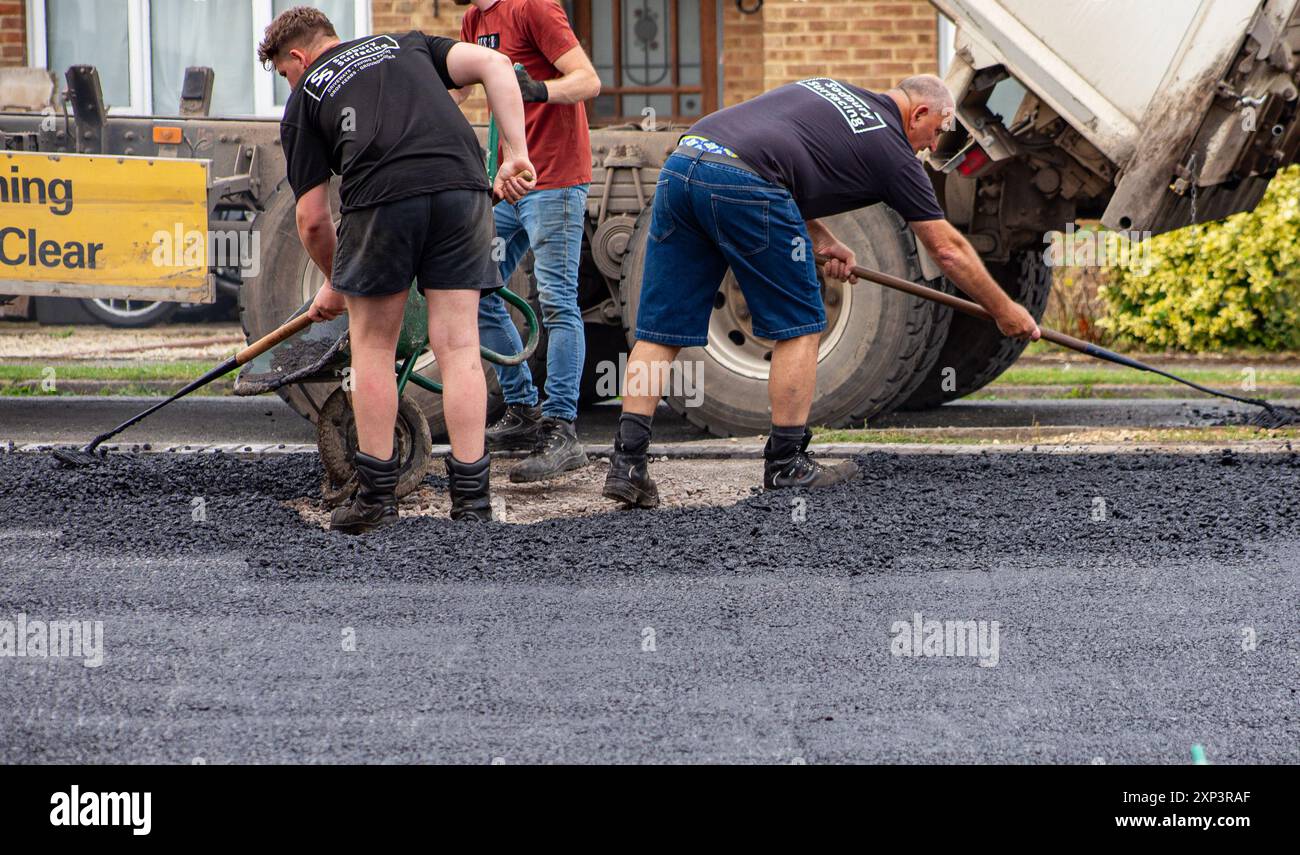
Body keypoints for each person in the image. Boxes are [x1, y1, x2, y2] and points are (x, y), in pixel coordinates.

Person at [603, 75, 1042, 509]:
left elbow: (780, 155)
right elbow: (947, 250)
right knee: (799, 327)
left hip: (685, 162)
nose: (933, 145)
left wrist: (821, 239)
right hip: (741, 182)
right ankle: (786, 462)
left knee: (659, 333)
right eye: (939, 131)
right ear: (920, 112)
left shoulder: (831, 89)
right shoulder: (891, 147)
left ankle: (627, 464)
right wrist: (1004, 309)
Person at [258, 5, 535, 532]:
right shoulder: (407, 44)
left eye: (285, 74)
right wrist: (516, 153)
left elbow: (313, 219)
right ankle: (473, 506)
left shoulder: (307, 96)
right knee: (458, 346)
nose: (291, 84)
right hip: (462, 190)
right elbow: (498, 66)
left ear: (297, 56)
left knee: (373, 350)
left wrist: (336, 283)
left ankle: (377, 499)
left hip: (383, 201)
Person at [451, 0, 601, 483]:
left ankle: (562, 429)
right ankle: (522, 411)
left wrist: (537, 88)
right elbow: (456, 94)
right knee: (477, 288)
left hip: (553, 180)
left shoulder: (533, 7)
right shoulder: (475, 20)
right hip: (508, 182)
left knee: (557, 301)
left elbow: (587, 80)